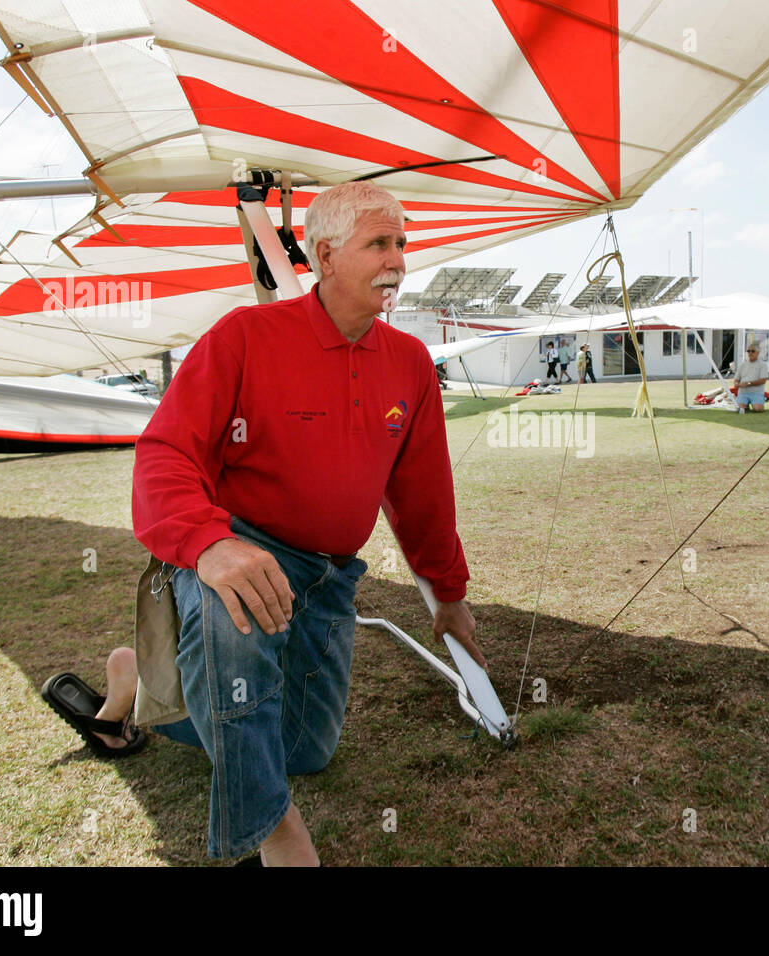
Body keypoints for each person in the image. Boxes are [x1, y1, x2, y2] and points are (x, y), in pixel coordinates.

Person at [95, 182, 481, 866]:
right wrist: (210, 545)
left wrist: (449, 596)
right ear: (326, 255)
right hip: (238, 548)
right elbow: (165, 452)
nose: (396, 260)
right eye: (378, 245)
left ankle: (143, 686)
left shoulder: (412, 364)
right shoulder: (244, 336)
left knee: (305, 749)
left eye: (400, 243)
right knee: (233, 606)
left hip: (328, 576)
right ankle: (275, 835)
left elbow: (423, 495)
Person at [732, 343, 768, 414]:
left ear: (758, 353)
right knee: (739, 409)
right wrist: (737, 384)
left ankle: (758, 402)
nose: (750, 353)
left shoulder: (763, 365)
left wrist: (748, 384)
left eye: (753, 351)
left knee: (758, 409)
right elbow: (736, 379)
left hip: (757, 393)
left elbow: (763, 381)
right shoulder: (742, 365)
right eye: (748, 351)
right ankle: (745, 404)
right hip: (743, 392)